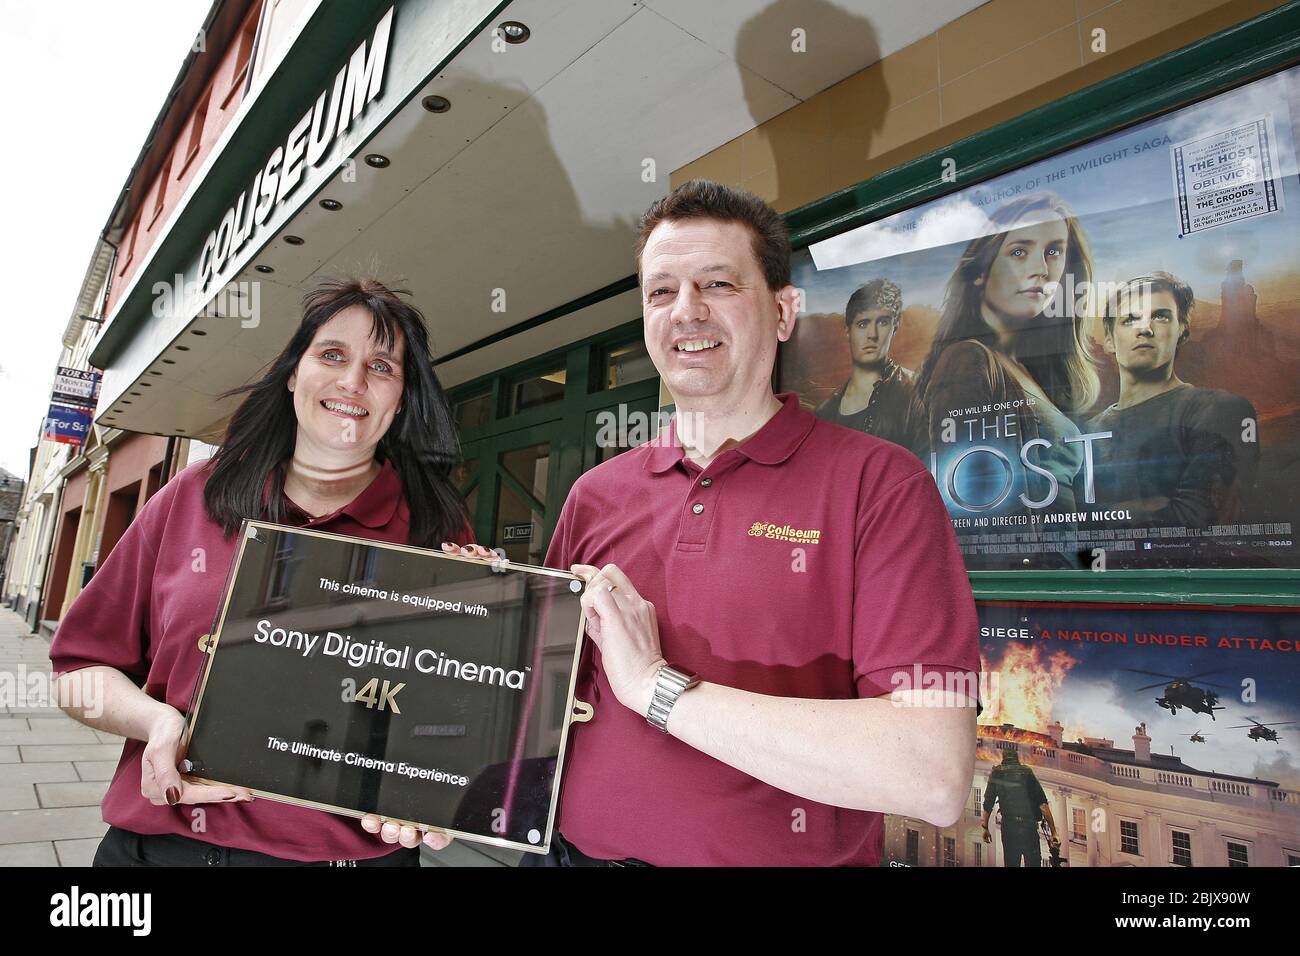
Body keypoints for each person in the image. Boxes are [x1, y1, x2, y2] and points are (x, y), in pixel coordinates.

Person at [472, 179, 980, 866]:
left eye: (717, 284)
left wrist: (657, 688)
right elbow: (543, 706)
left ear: (783, 310)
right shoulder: (595, 493)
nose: (687, 311)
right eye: (661, 291)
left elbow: (931, 773)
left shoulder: (879, 485)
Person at [49, 277, 488, 866]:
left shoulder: (435, 530)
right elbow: (79, 672)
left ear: (403, 397)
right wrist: (156, 721)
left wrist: (438, 784)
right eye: (332, 355)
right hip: (158, 849)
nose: (352, 382)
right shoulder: (193, 496)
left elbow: (451, 715)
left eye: (382, 367)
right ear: (292, 373)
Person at [915, 193, 1101, 559]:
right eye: (1020, 251)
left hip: (1058, 585)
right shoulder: (968, 360)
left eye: (1054, 251)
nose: (1042, 270)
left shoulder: (1028, 368)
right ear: (981, 271)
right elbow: (975, 513)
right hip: (1029, 590)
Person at [1087, 272, 1259, 529]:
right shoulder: (1086, 431)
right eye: (1129, 319)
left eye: (1160, 316)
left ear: (1182, 330)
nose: (1144, 329)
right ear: (1110, 340)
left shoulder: (1219, 409)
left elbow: (1195, 516)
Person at [813, 278, 928, 458]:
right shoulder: (825, 412)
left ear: (895, 326)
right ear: (847, 330)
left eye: (882, 322)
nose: (872, 335)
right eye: (862, 324)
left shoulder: (916, 390)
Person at [981, 749, 1059, 867]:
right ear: (1017, 759)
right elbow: (1043, 804)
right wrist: (1054, 833)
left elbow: (988, 804)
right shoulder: (1027, 772)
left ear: (1003, 759)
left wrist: (985, 828)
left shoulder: (997, 772)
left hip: (1009, 828)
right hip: (1029, 827)